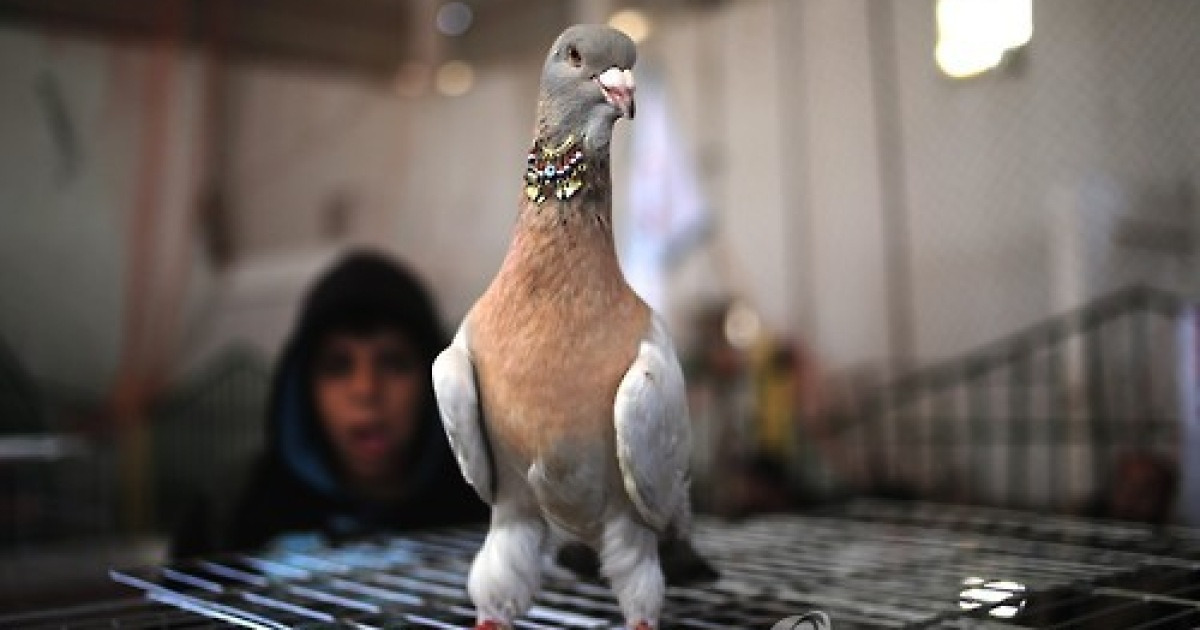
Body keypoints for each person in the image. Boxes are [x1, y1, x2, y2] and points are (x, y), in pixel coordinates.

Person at [171, 250, 486, 558]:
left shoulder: (490, 511)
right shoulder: (227, 518)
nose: (366, 390)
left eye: (393, 363)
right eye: (338, 366)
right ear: (303, 388)